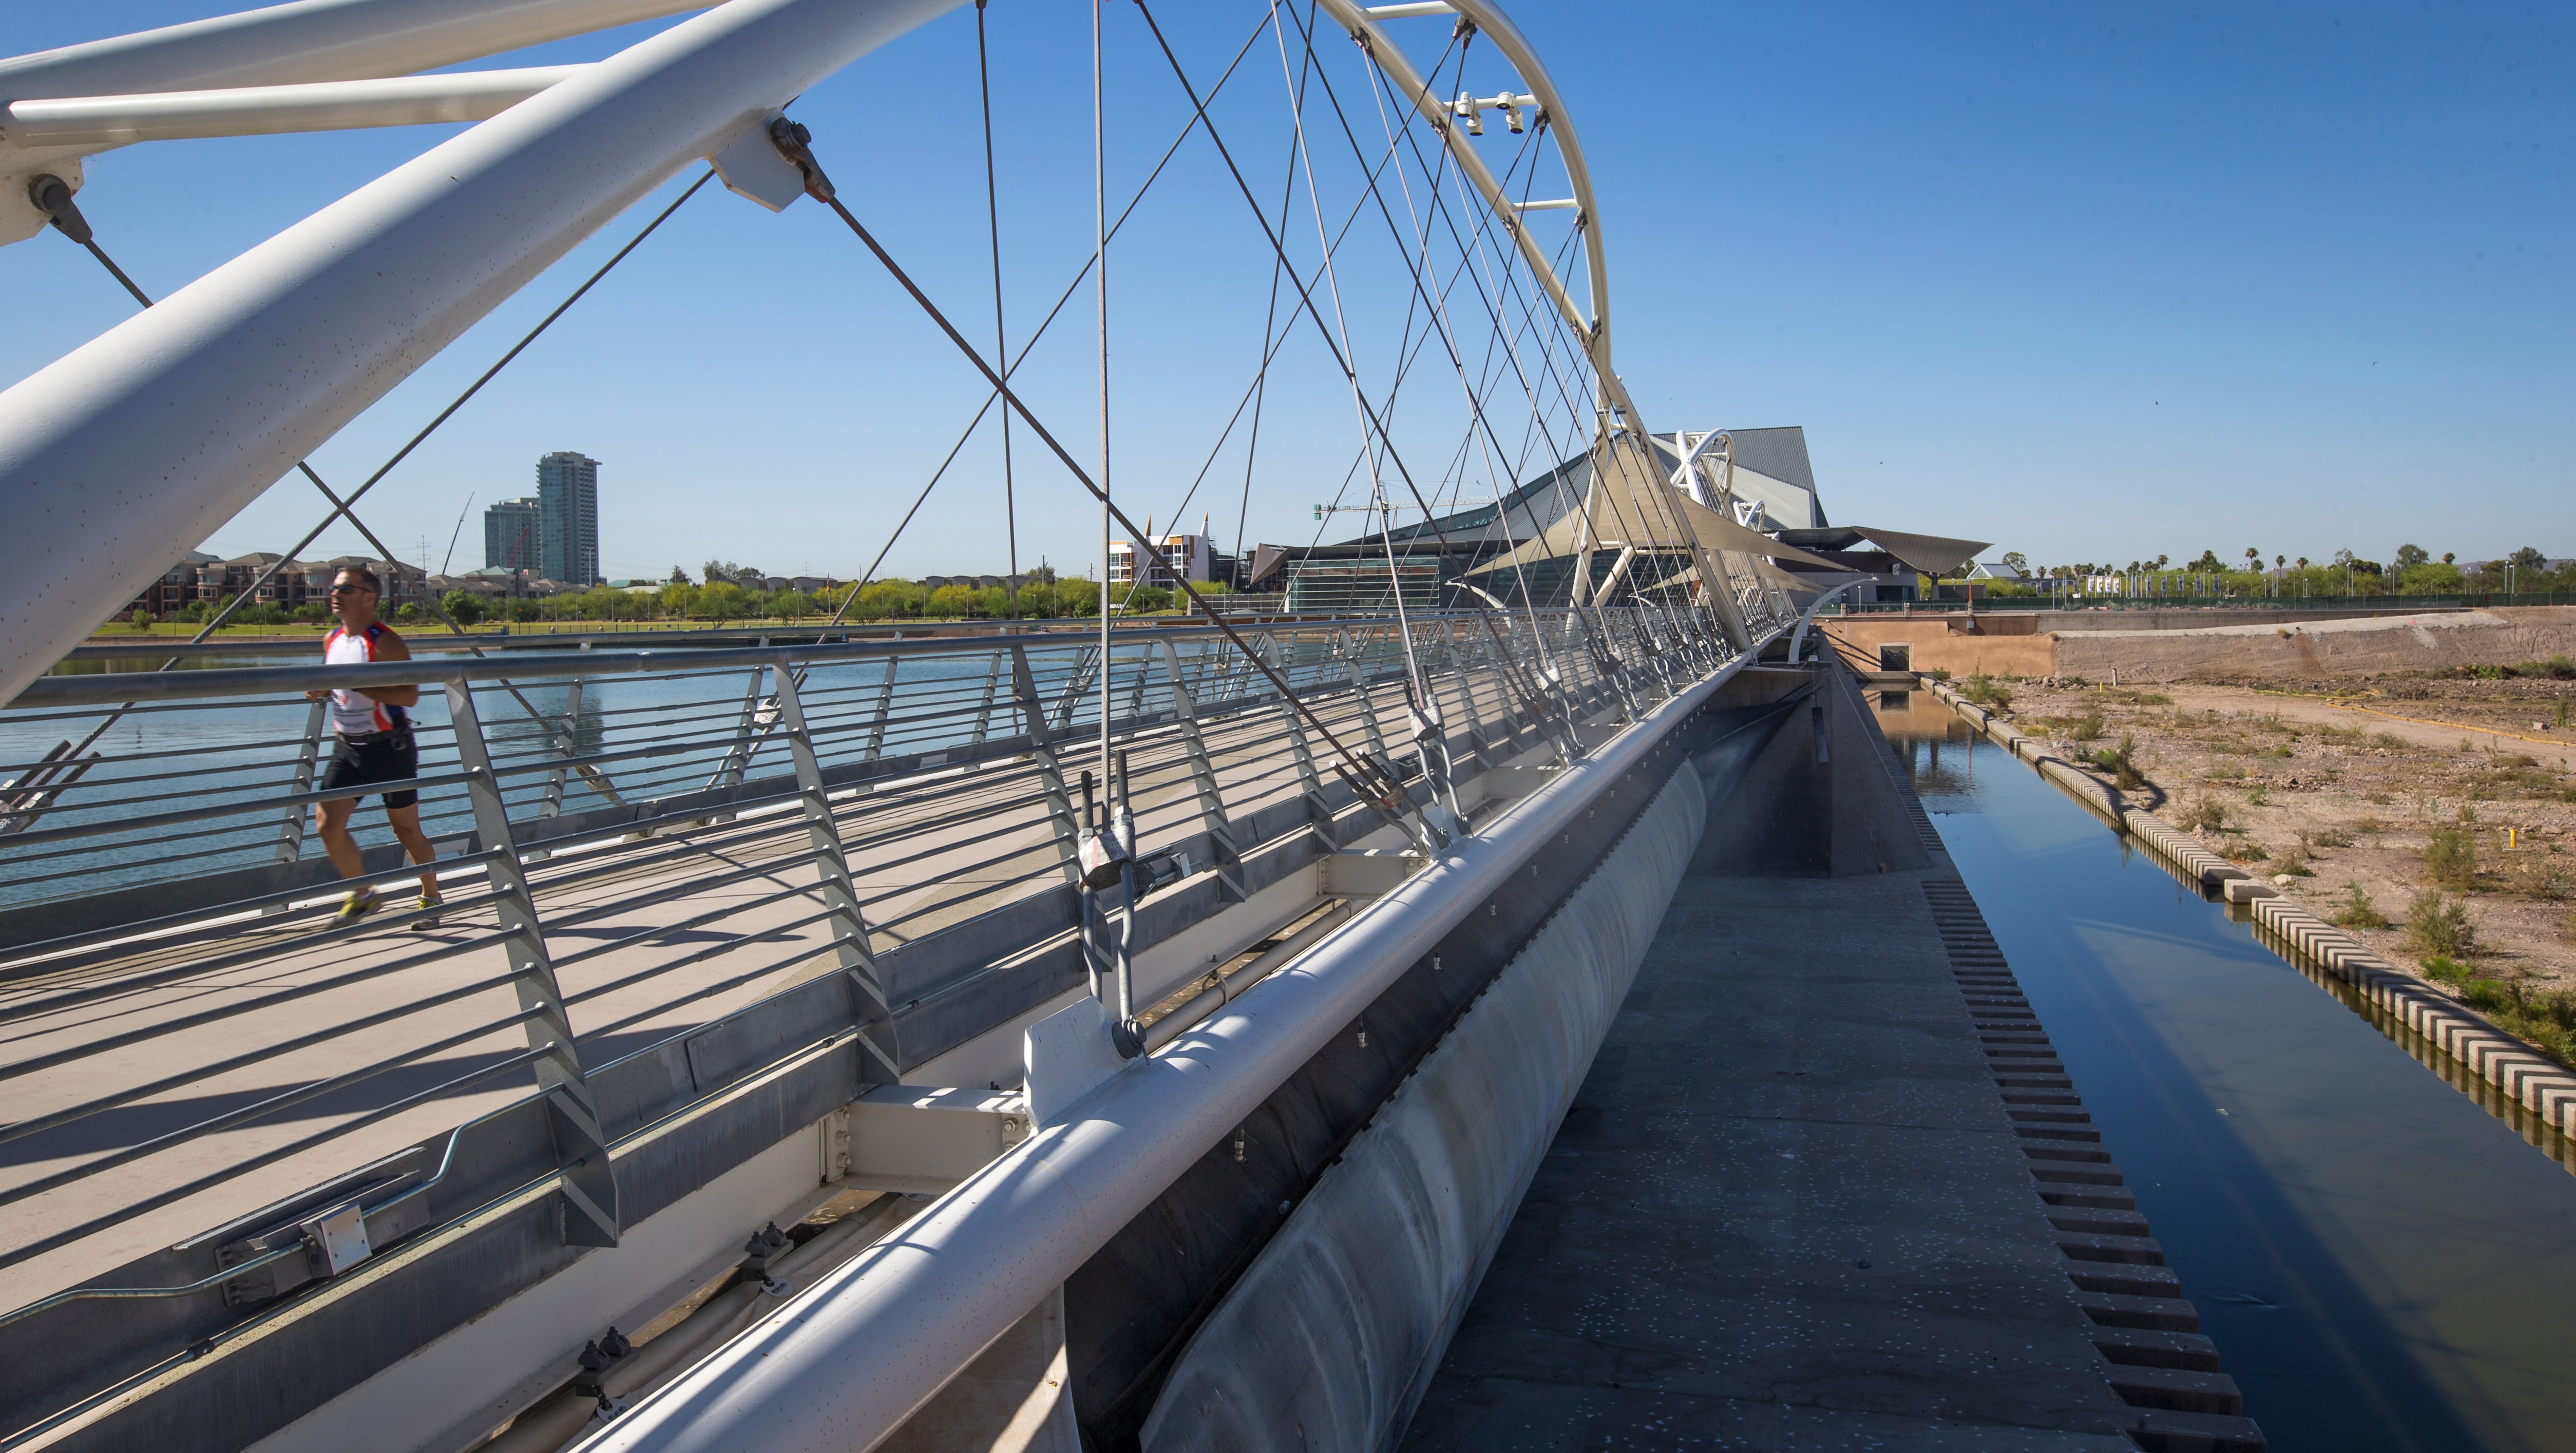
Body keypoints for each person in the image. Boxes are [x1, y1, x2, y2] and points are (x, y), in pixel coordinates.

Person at [309, 566, 442, 926]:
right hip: (347, 748)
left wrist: (362, 687)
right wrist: (323, 688)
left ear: (369, 598)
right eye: (335, 589)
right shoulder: (331, 640)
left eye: (346, 589)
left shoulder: (385, 642)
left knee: (406, 831)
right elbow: (337, 686)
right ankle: (364, 894)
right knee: (326, 824)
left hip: (389, 747)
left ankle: (431, 897)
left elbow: (410, 696)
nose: (335, 595)